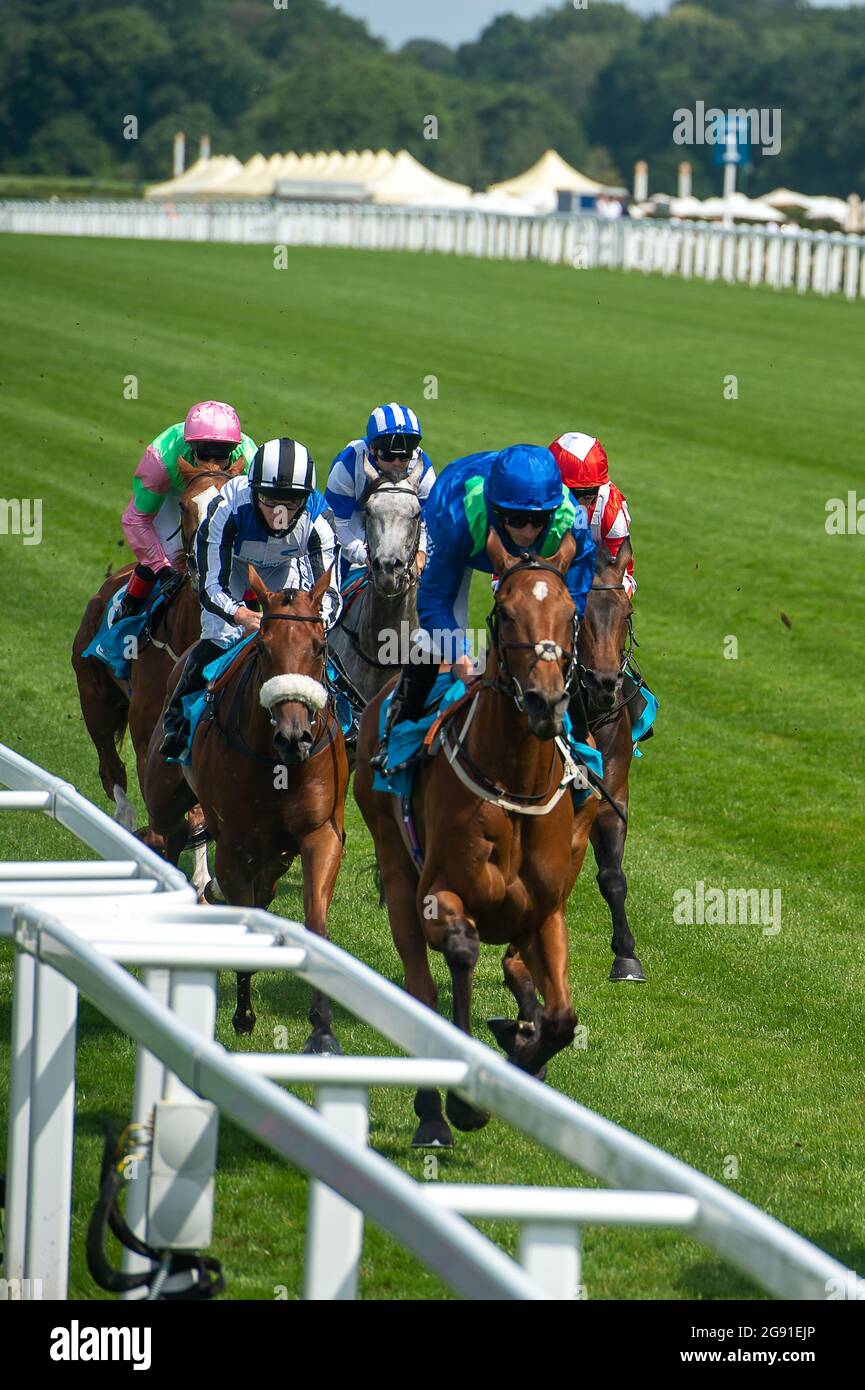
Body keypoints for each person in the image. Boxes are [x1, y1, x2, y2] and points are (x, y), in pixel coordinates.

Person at [369, 443, 595, 768]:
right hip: (463, 531)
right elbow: (434, 600)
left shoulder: (571, 520)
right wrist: (460, 655)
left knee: (559, 644)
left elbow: (577, 588)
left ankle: (580, 744)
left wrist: (559, 628)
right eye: (517, 520)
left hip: (523, 543)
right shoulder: (457, 514)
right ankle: (396, 731)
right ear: (497, 510)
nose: (528, 531)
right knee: (436, 643)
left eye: (537, 521)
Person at [159, 437, 341, 759]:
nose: (280, 513)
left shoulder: (320, 523)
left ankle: (342, 712)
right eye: (270, 500)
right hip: (236, 561)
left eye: (292, 502)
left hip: (286, 563)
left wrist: (308, 624)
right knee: (221, 634)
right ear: (254, 491)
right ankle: (177, 718)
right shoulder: (226, 510)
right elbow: (210, 586)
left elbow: (330, 596)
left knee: (304, 641)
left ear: (307, 498)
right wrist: (239, 614)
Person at [118, 401, 257, 619]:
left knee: (240, 557)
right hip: (175, 493)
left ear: (234, 450)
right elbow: (136, 519)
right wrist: (163, 570)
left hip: (228, 496)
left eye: (222, 454)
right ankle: (125, 614)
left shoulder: (251, 461)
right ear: (190, 447)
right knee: (171, 549)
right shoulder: (162, 458)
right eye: (203, 453)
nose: (213, 463)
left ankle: (255, 616)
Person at [325, 402, 435, 578]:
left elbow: (428, 521)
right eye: (389, 455)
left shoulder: (423, 469)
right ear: (372, 449)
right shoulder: (347, 464)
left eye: (404, 456)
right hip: (354, 521)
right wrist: (363, 555)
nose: (397, 463)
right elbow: (334, 524)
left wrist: (421, 551)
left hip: (402, 522)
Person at [549, 432, 636, 595]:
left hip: (597, 573)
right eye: (572, 494)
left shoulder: (611, 511)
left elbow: (622, 574)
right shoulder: (537, 496)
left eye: (589, 494)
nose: (580, 506)